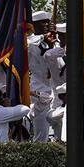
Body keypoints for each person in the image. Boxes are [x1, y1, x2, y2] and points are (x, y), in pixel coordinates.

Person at [27, 11, 63, 141]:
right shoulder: (30, 42)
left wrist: (53, 42)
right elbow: (30, 43)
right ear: (34, 25)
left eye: (48, 22)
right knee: (41, 133)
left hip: (56, 88)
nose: (46, 24)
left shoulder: (55, 42)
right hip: (40, 88)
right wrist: (44, 37)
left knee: (60, 130)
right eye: (43, 22)